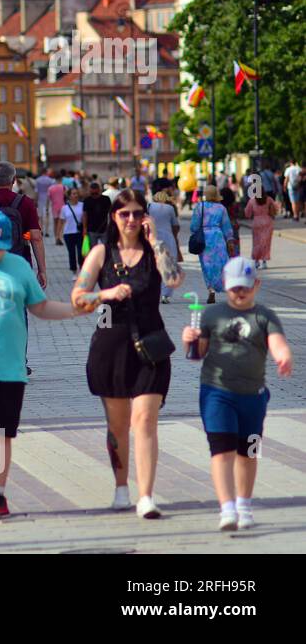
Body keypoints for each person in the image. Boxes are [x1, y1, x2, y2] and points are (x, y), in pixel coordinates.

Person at [0, 210, 86, 519]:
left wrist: (75, 311)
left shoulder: (19, 267)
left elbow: (40, 307)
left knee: (1, 433)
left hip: (10, 366)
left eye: (0, 243)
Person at [73, 189, 184, 518]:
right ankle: (121, 488)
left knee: (145, 420)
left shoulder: (154, 251)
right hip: (111, 346)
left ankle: (146, 496)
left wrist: (157, 243)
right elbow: (78, 297)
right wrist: (105, 293)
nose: (132, 220)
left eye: (138, 213)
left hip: (150, 346)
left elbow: (175, 279)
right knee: (118, 426)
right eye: (125, 214)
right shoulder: (101, 253)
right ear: (114, 217)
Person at [181, 257, 293, 532]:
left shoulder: (265, 316)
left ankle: (244, 504)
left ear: (256, 285)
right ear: (225, 286)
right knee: (222, 451)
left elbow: (277, 342)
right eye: (233, 288)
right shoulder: (212, 315)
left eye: (244, 287)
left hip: (253, 398)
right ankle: (227, 508)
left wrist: (283, 356)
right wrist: (189, 340)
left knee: (249, 452)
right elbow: (198, 354)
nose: (239, 293)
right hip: (217, 393)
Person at [0, 162, 46, 288]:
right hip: (20, 261)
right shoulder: (26, 202)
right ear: (14, 180)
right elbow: (36, 237)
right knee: (19, 302)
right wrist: (42, 270)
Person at [192, 184, 235, 304]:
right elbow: (227, 226)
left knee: (207, 265)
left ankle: (211, 290)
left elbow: (194, 226)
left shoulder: (200, 207)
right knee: (221, 264)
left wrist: (196, 231)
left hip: (204, 239)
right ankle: (227, 287)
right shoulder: (221, 208)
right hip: (218, 237)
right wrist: (230, 240)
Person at [244, 190, 277, 270]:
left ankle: (256, 261)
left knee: (256, 243)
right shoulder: (269, 199)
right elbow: (276, 207)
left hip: (257, 222)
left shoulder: (252, 200)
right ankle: (264, 261)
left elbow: (247, 213)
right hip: (268, 222)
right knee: (266, 242)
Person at [58, 188, 86, 273]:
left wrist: (85, 229)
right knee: (71, 253)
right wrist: (58, 234)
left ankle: (82, 269)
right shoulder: (64, 208)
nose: (76, 195)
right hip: (68, 233)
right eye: (73, 194)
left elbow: (85, 218)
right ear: (69, 196)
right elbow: (61, 221)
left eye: (77, 193)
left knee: (81, 253)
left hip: (79, 232)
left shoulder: (82, 205)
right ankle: (74, 270)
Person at [81, 182, 112, 249]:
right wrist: (84, 228)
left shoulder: (106, 199)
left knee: (106, 248)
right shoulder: (87, 200)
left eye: (96, 193)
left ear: (99, 191)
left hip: (104, 228)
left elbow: (111, 213)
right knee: (93, 249)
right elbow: (85, 215)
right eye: (92, 194)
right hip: (91, 229)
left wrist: (111, 225)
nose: (94, 195)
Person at [35, 169, 56, 235]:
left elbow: (36, 191)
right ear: (46, 172)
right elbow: (52, 191)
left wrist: (36, 200)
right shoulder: (50, 180)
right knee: (47, 215)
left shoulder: (38, 180)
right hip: (48, 198)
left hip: (40, 198)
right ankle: (47, 231)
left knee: (40, 215)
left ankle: (41, 230)